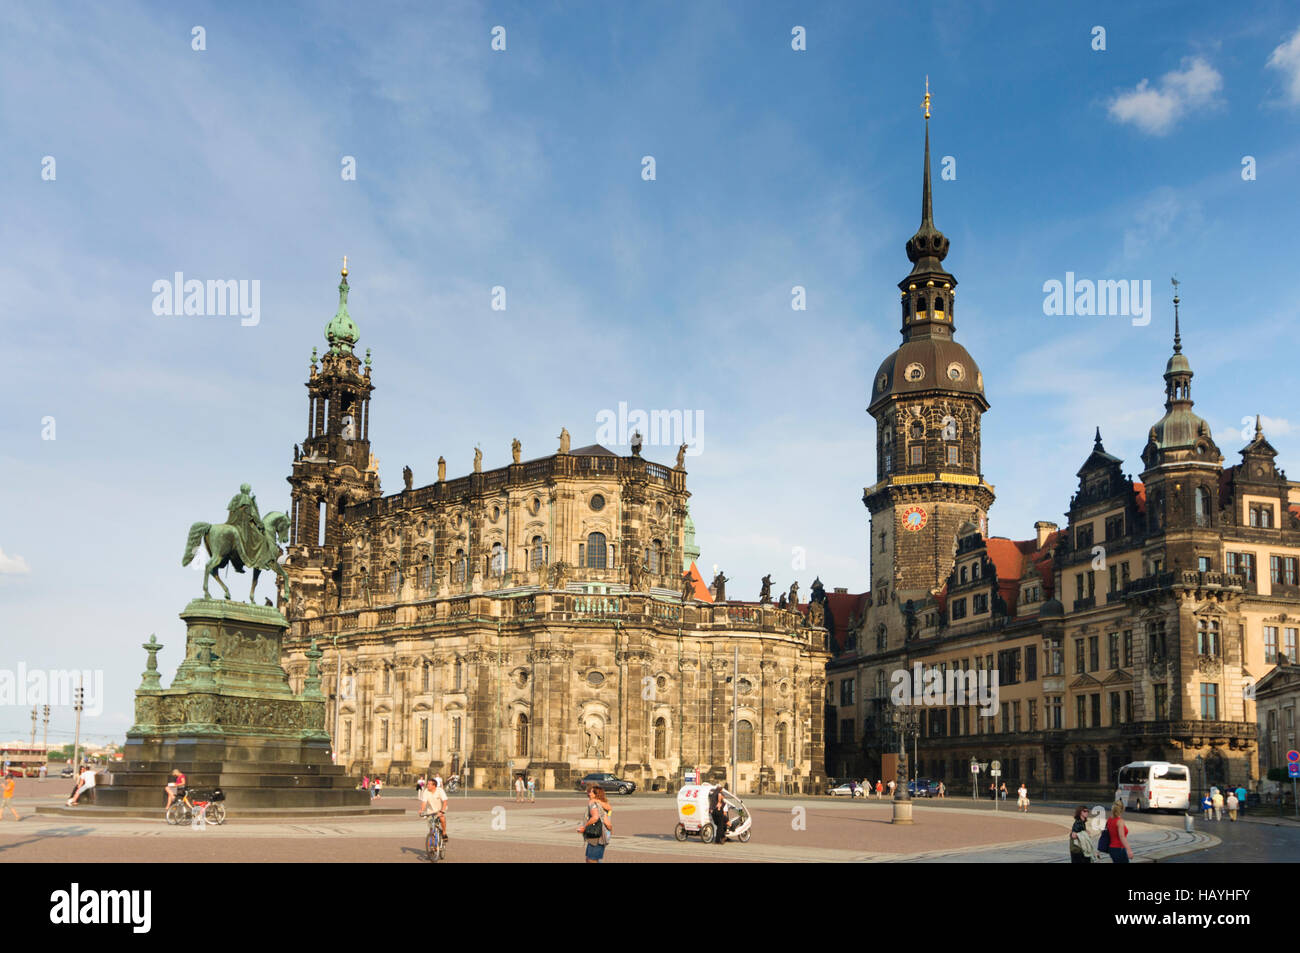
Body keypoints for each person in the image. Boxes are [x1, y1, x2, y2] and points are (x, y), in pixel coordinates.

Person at [575, 784, 613, 862]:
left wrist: (585, 827)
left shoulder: (594, 804)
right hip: (600, 834)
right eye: (589, 791)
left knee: (591, 859)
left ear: (597, 794)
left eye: (591, 792)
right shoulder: (602, 803)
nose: (589, 793)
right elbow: (608, 810)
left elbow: (596, 817)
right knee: (591, 859)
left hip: (597, 835)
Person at [418, 776, 449, 845]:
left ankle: (444, 832)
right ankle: (433, 846)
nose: (427, 785)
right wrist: (421, 810)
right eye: (427, 784)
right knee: (432, 829)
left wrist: (442, 811)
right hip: (431, 811)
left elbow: (445, 801)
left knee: (442, 818)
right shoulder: (426, 791)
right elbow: (424, 802)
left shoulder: (440, 790)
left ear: (434, 785)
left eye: (429, 784)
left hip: (440, 809)